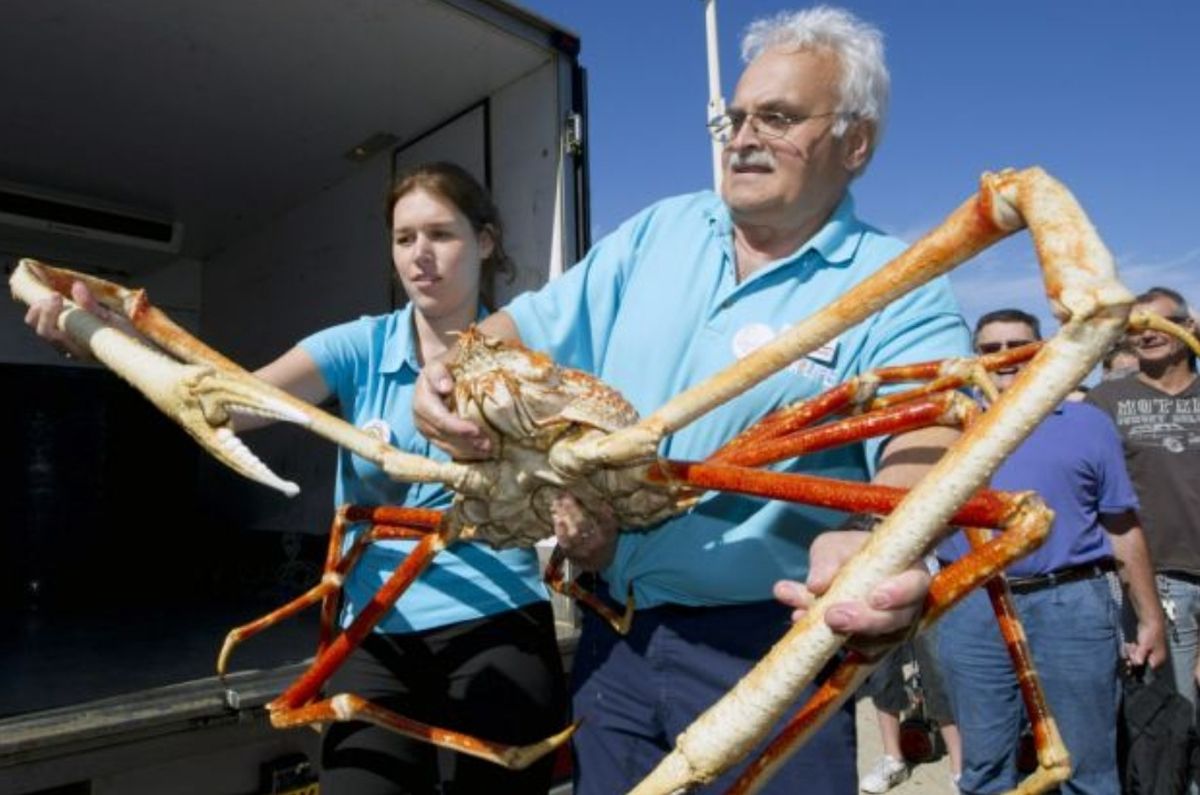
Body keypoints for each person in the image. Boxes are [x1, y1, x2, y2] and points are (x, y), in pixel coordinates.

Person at [414, 8, 969, 793]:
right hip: (613, 635)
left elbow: (932, 424)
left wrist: (888, 536)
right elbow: (529, 322)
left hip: (770, 651)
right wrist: (449, 372)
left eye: (777, 117)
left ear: (856, 142)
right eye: (735, 116)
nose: (742, 137)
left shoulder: (898, 282)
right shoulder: (660, 232)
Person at [26, 161, 568, 795]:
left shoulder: (531, 359)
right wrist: (111, 340)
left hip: (500, 616)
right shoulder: (360, 348)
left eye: (441, 235)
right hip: (374, 629)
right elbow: (227, 401)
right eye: (403, 238)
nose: (421, 255)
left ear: (484, 240)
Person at [936, 308, 1166, 795]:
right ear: (974, 358)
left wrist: (1148, 617)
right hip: (974, 604)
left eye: (1017, 345)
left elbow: (1121, 524)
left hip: (1071, 604)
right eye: (990, 349)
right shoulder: (945, 428)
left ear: (1041, 349)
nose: (1004, 358)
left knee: (1088, 767)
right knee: (985, 767)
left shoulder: (1088, 423)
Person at [1088, 288, 1200, 715]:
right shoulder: (1106, 401)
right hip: (1159, 576)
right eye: (1136, 327)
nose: (1147, 334)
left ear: (1188, 325)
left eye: (1158, 322)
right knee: (1177, 709)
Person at [859, 621, 962, 792]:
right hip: (880, 598)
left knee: (937, 668)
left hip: (930, 597)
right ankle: (893, 760)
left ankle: (960, 769)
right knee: (881, 670)